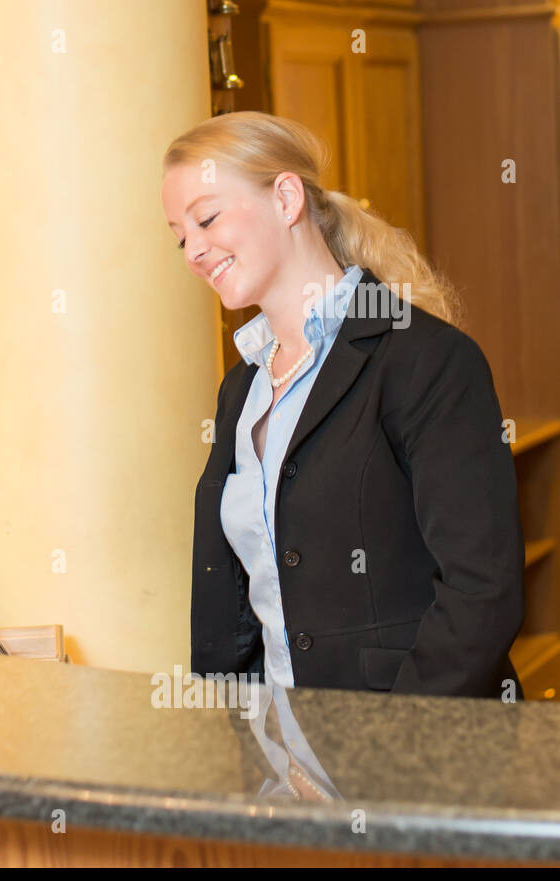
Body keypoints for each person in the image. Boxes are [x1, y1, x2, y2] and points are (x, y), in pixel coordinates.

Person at [161, 111, 523, 698]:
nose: (193, 251)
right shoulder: (241, 390)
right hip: (274, 742)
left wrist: (386, 744)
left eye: (206, 219)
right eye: (180, 236)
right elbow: (235, 610)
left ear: (286, 198)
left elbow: (482, 593)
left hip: (411, 741)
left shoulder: (426, 359)